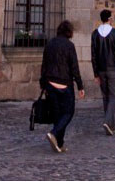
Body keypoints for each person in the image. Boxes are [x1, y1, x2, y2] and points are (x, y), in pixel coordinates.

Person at [39, 19, 84, 153]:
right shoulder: (70, 46)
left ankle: (59, 143)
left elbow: (44, 65)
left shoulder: (50, 44)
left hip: (50, 83)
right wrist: (80, 86)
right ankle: (54, 133)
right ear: (69, 32)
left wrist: (43, 84)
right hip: (65, 84)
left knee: (58, 114)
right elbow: (74, 67)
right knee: (69, 112)